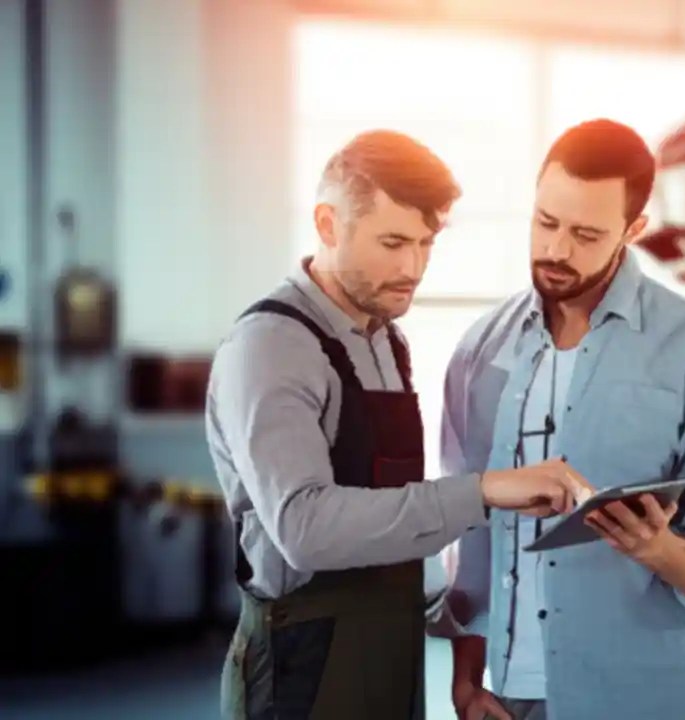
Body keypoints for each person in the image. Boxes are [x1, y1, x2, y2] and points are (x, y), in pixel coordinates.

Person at [205, 129, 591, 720]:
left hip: (392, 648)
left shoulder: (387, 340)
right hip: (301, 669)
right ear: (328, 224)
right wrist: (484, 492)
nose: (413, 267)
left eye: (425, 243)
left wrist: (458, 637)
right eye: (392, 242)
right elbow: (305, 529)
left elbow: (390, 506)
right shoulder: (273, 346)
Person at [435, 119, 685, 720]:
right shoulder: (479, 351)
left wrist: (661, 551)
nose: (557, 250)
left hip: (654, 701)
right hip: (512, 699)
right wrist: (466, 679)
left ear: (633, 230)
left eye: (586, 234)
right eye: (546, 222)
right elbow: (472, 539)